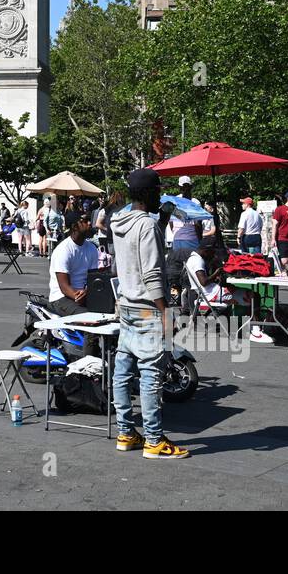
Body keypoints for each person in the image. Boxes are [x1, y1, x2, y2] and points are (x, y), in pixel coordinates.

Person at [110, 168, 189, 460]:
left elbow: (134, 251)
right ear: (147, 194)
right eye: (157, 191)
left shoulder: (120, 220)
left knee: (122, 373)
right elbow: (153, 273)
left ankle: (126, 433)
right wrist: (166, 313)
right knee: (150, 376)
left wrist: (162, 220)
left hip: (126, 305)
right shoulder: (147, 226)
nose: (160, 195)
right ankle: (154, 441)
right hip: (147, 309)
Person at [47, 209, 100, 356]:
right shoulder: (63, 250)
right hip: (60, 298)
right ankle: (88, 364)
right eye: (85, 221)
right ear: (74, 226)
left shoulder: (91, 248)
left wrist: (88, 291)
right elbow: (64, 287)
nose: (90, 223)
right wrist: (79, 296)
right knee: (90, 320)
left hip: (81, 294)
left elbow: (93, 278)